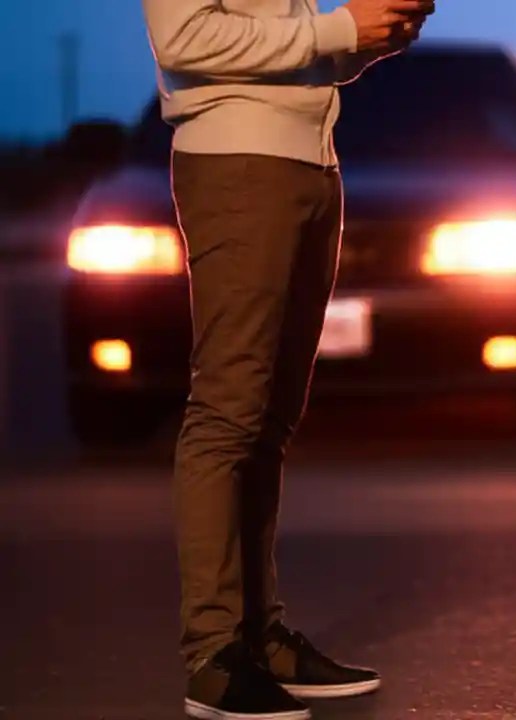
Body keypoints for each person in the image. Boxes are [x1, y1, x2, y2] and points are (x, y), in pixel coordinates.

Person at [140, 1, 435, 718]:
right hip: (238, 164)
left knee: (269, 416)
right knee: (227, 411)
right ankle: (213, 658)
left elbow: (289, 53)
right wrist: (337, 29)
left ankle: (258, 635)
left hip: (310, 162)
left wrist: (369, 38)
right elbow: (184, 37)